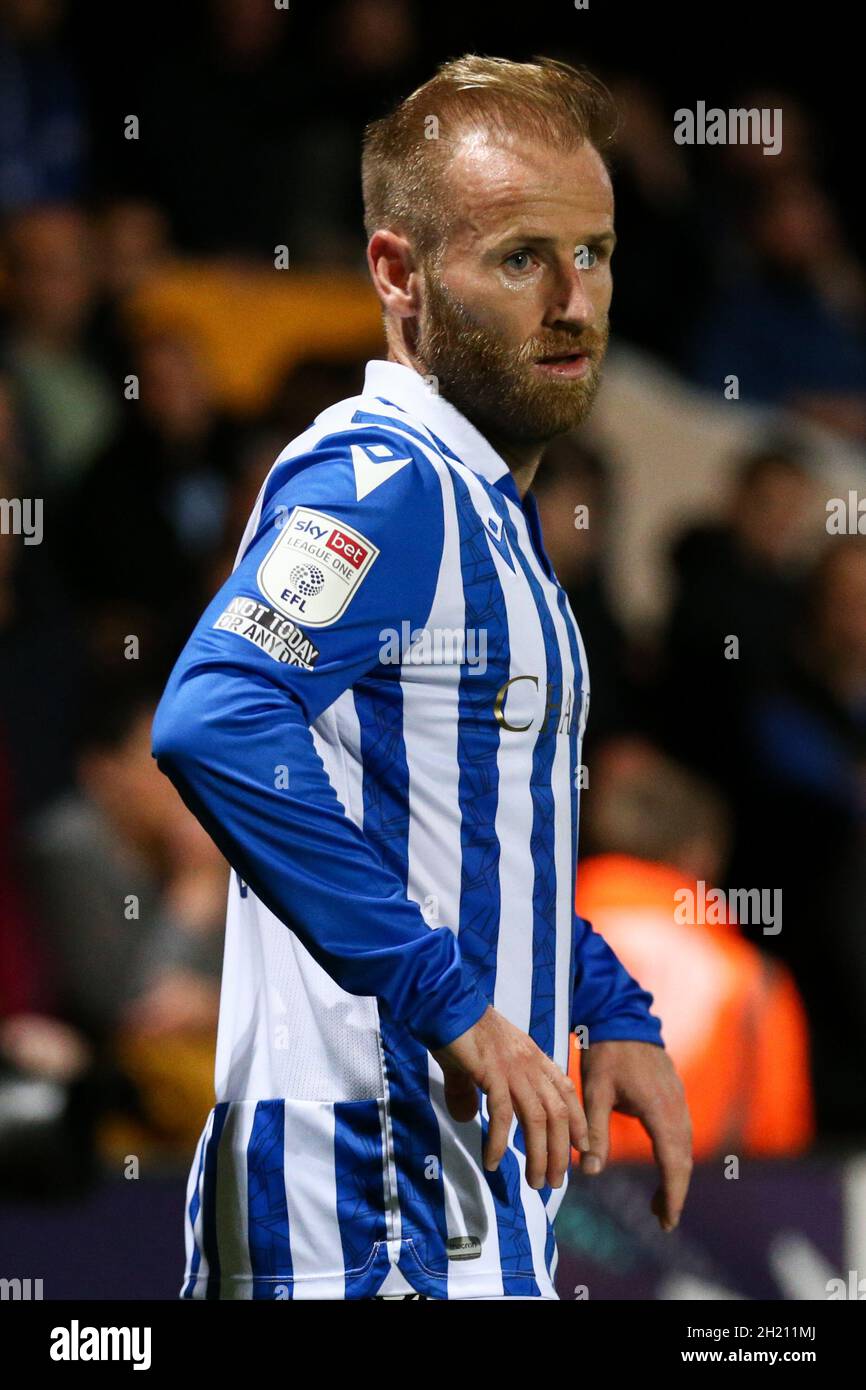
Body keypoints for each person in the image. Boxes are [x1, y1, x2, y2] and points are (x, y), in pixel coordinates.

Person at [152, 54, 692, 1301]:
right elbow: (218, 716)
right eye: (520, 259)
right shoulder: (382, 485)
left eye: (595, 253)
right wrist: (443, 999)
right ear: (396, 274)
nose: (574, 301)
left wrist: (602, 998)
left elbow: (458, 845)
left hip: (450, 1195)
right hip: (366, 1201)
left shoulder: (487, 514)